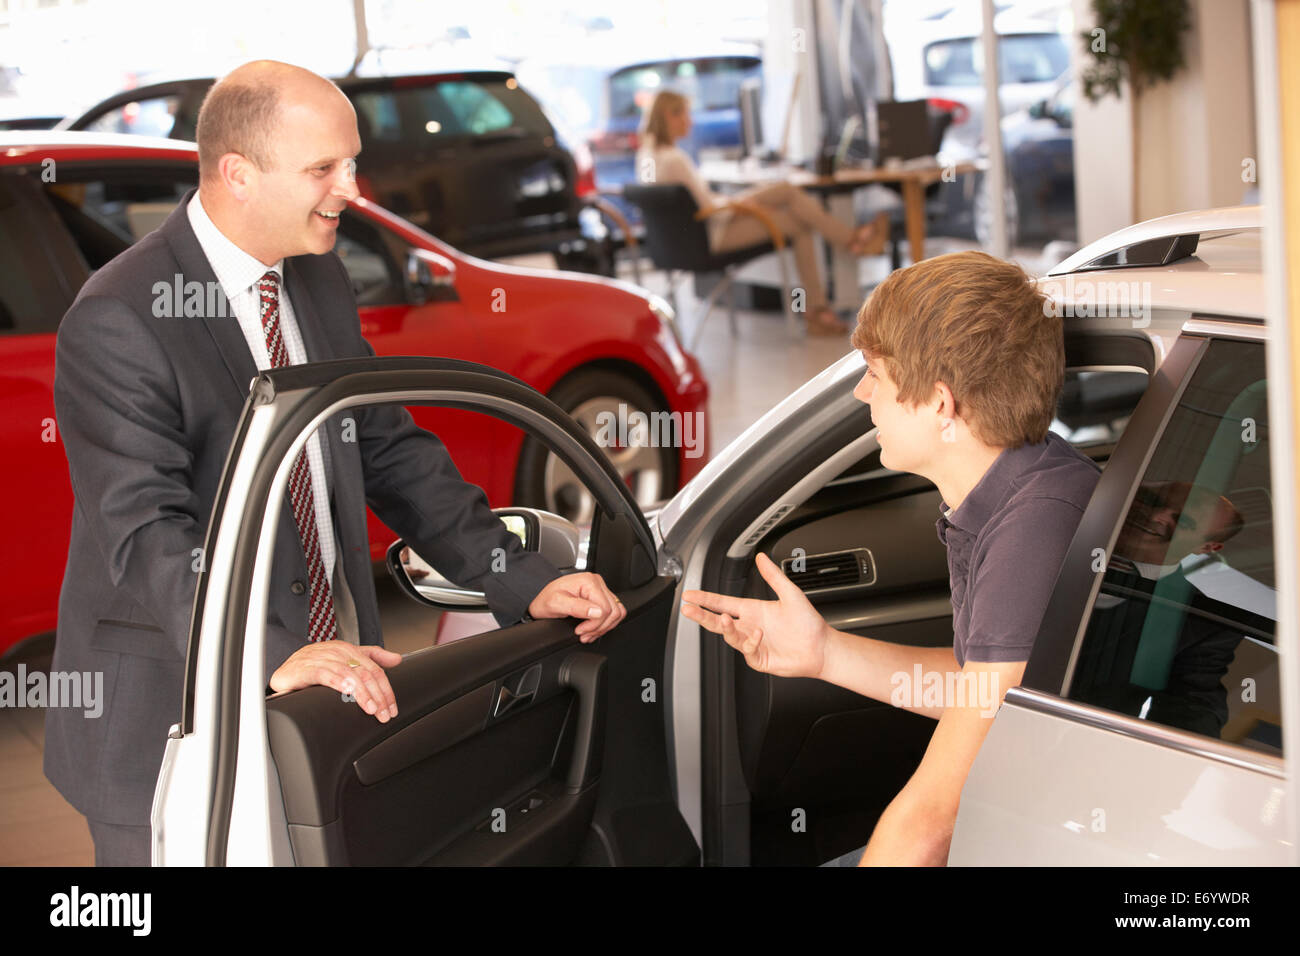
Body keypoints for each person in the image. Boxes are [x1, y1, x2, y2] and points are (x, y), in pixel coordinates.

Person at [46, 60, 627, 867]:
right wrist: (275, 652)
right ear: (238, 174)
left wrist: (519, 576)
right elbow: (146, 534)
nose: (351, 191)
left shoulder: (316, 276)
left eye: (351, 164)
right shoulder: (121, 315)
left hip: (334, 690)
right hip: (173, 713)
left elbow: (385, 446)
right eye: (323, 168)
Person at [682, 250, 1102, 865]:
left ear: (941, 403)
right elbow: (984, 691)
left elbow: (933, 823)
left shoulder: (1032, 530)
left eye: (875, 374)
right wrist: (824, 653)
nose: (861, 392)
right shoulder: (1023, 485)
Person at [634, 89, 887, 336]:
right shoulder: (674, 159)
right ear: (669, 116)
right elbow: (709, 210)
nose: (690, 121)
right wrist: (745, 207)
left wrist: (742, 204)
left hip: (681, 243)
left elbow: (695, 204)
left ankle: (820, 304)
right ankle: (849, 248)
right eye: (685, 114)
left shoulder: (647, 156)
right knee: (793, 208)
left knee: (788, 198)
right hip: (712, 235)